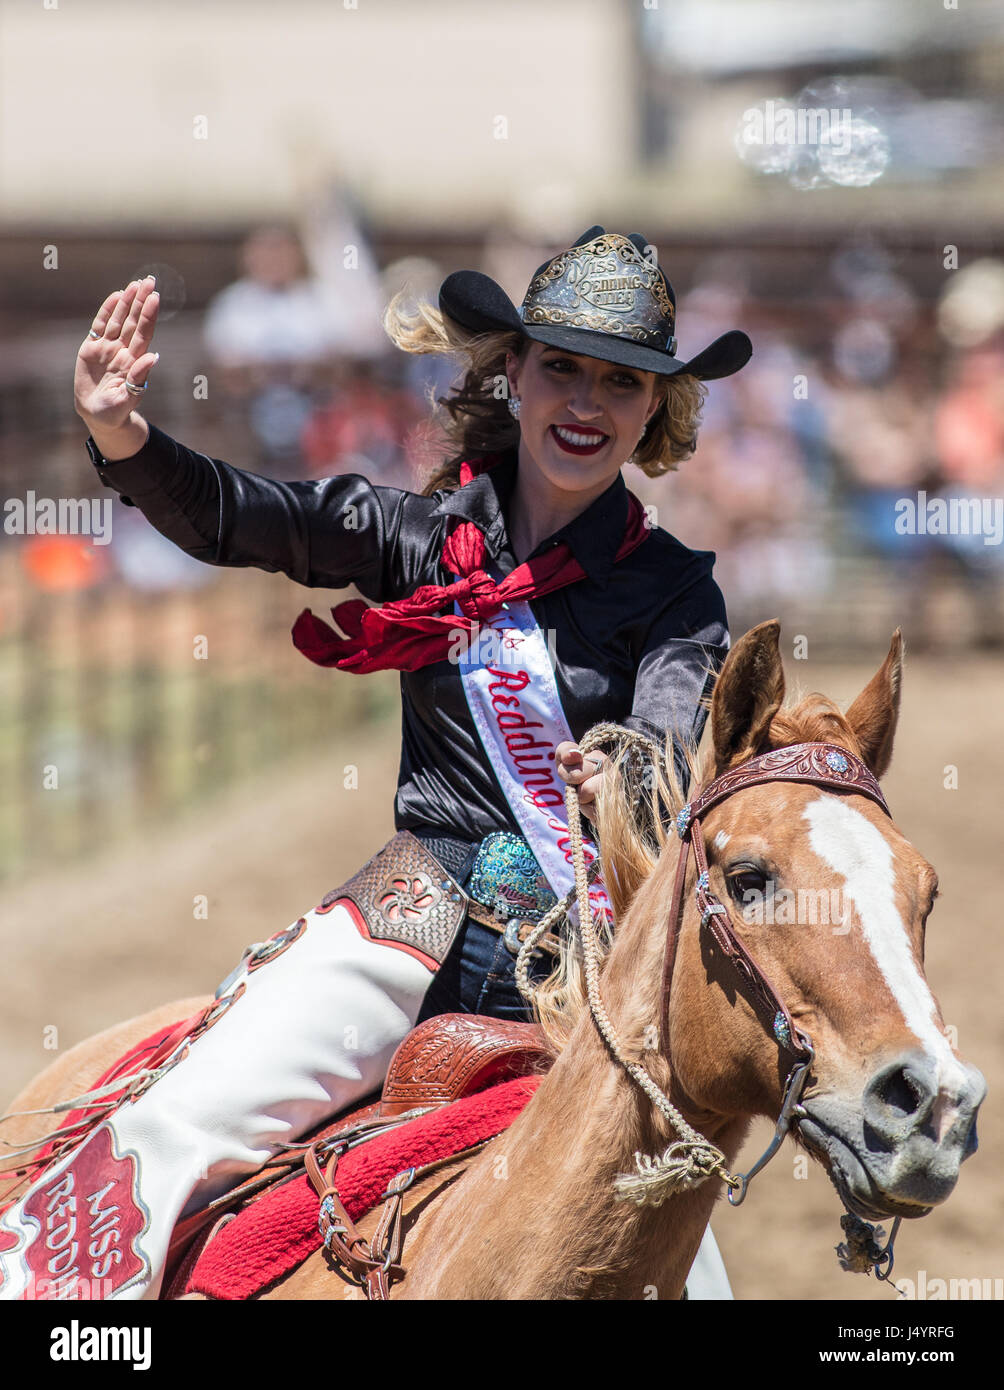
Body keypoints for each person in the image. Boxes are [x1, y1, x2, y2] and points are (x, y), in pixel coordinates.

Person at [0, 225, 751, 1301]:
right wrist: (120, 436)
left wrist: (628, 770)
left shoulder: (677, 590)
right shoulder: (412, 536)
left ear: (653, 412)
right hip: (413, 909)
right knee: (177, 1125)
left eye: (620, 383)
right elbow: (245, 517)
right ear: (512, 375)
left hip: (583, 960)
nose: (585, 402)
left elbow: (673, 724)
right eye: (562, 368)